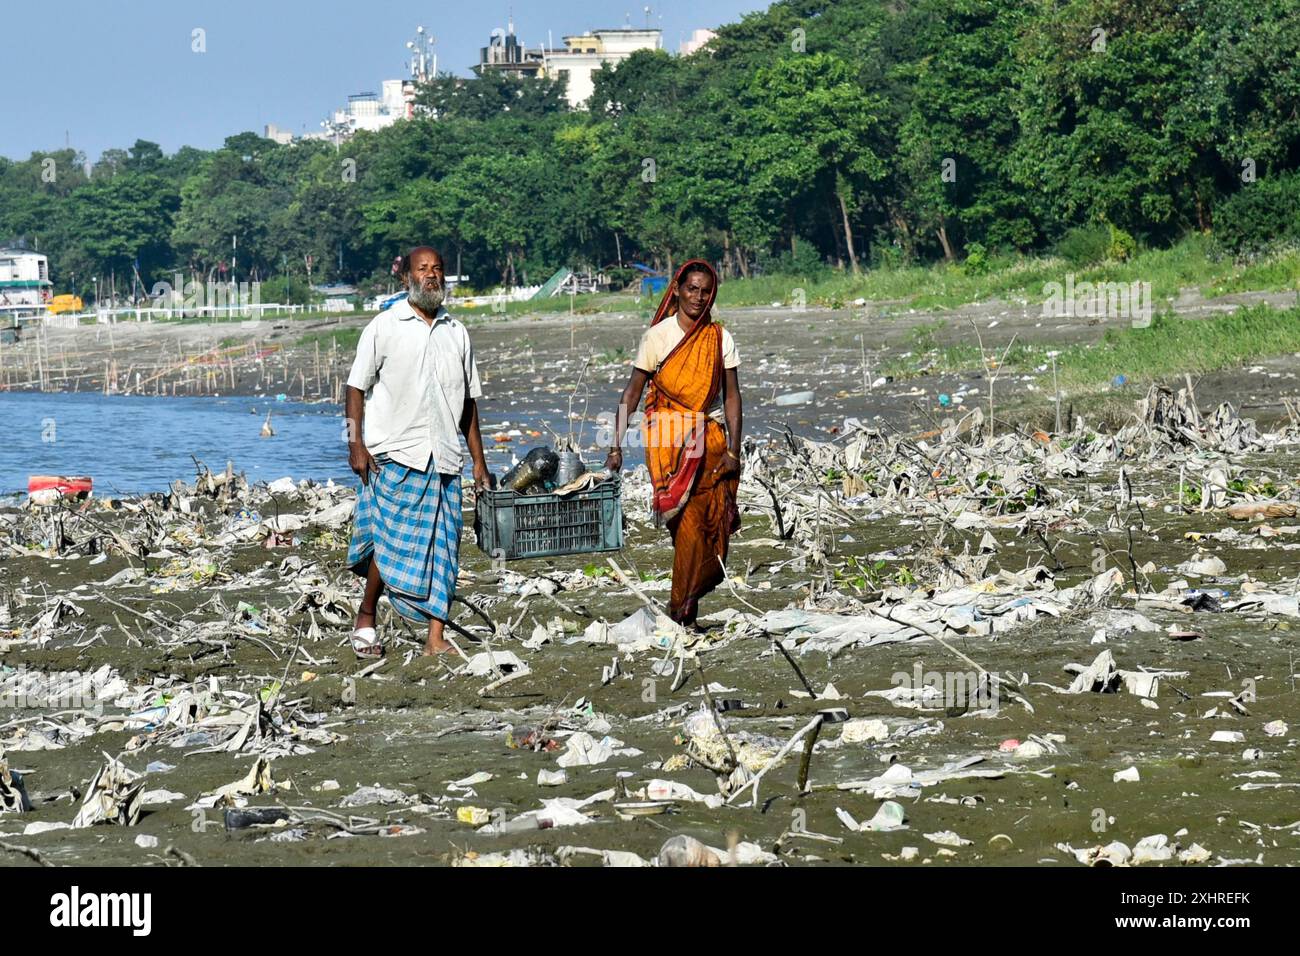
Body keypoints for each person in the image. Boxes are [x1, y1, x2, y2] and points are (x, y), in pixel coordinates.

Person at [344, 246, 490, 658]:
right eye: (423, 270)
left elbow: (468, 404)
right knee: (387, 542)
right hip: (394, 453)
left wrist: (479, 460)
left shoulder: (456, 332)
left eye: (438, 270)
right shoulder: (384, 327)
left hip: (443, 457)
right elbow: (355, 387)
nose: (431, 276)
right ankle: (367, 617)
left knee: (444, 548)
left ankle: (435, 637)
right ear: (406, 277)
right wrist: (356, 444)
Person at [605, 259, 743, 630]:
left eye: (705, 291)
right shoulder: (657, 338)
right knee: (685, 528)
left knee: (710, 529)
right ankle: (683, 610)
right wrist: (615, 445)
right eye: (692, 289)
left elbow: (732, 397)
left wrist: (734, 450)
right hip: (667, 444)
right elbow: (633, 391)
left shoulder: (719, 338)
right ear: (678, 290)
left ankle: (685, 605)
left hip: (710, 442)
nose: (698, 297)